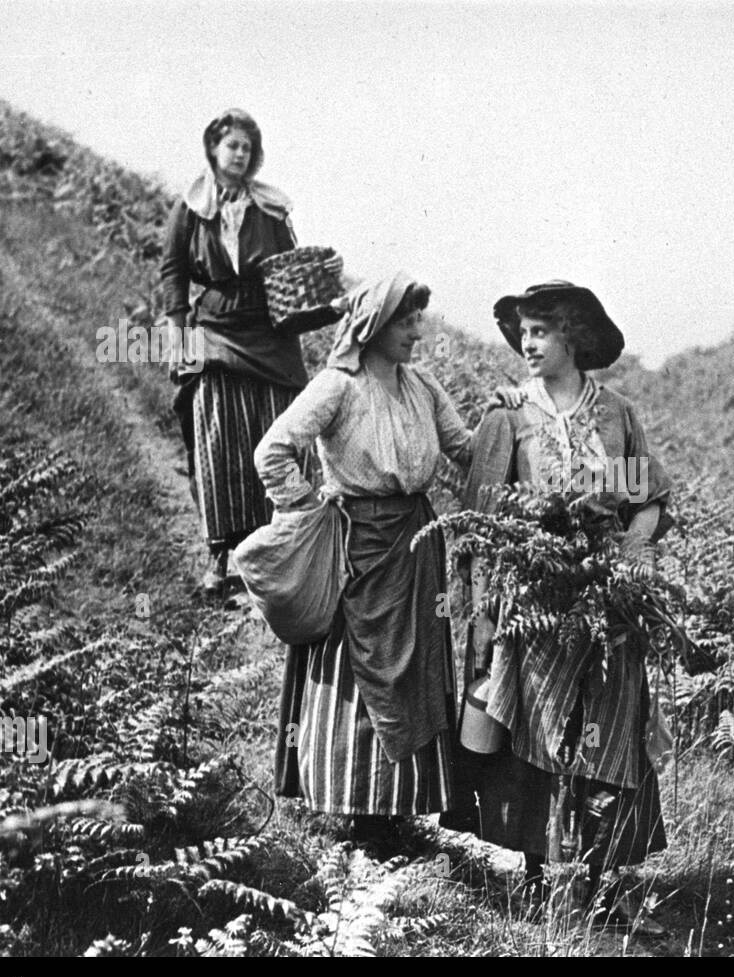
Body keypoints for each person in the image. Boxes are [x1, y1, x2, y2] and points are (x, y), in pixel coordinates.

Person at [445, 280, 674, 936]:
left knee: (605, 727)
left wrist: (628, 555)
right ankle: (537, 871)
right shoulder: (510, 415)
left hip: (604, 598)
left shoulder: (616, 415)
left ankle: (602, 879)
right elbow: (482, 511)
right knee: (537, 729)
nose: (527, 343)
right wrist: (489, 593)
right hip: (534, 597)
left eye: (541, 331)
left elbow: (647, 495)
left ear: (572, 335)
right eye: (522, 332)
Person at [254, 272, 471, 841]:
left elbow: (467, 450)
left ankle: (398, 812)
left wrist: (512, 418)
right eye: (406, 320)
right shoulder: (338, 387)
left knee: (415, 670)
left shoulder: (421, 387)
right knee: (356, 669)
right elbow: (273, 449)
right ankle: (351, 805)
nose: (416, 332)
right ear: (373, 323)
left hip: (416, 547)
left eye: (418, 320)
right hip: (356, 549)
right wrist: (307, 509)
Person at [161, 108, 341, 595]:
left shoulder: (270, 208)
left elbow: (288, 271)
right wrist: (177, 333)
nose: (239, 154)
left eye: (247, 147)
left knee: (274, 434)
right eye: (231, 145)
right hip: (215, 329)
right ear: (214, 149)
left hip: (269, 333)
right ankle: (220, 559)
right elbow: (173, 271)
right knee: (218, 440)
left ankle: (278, 555)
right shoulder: (192, 206)